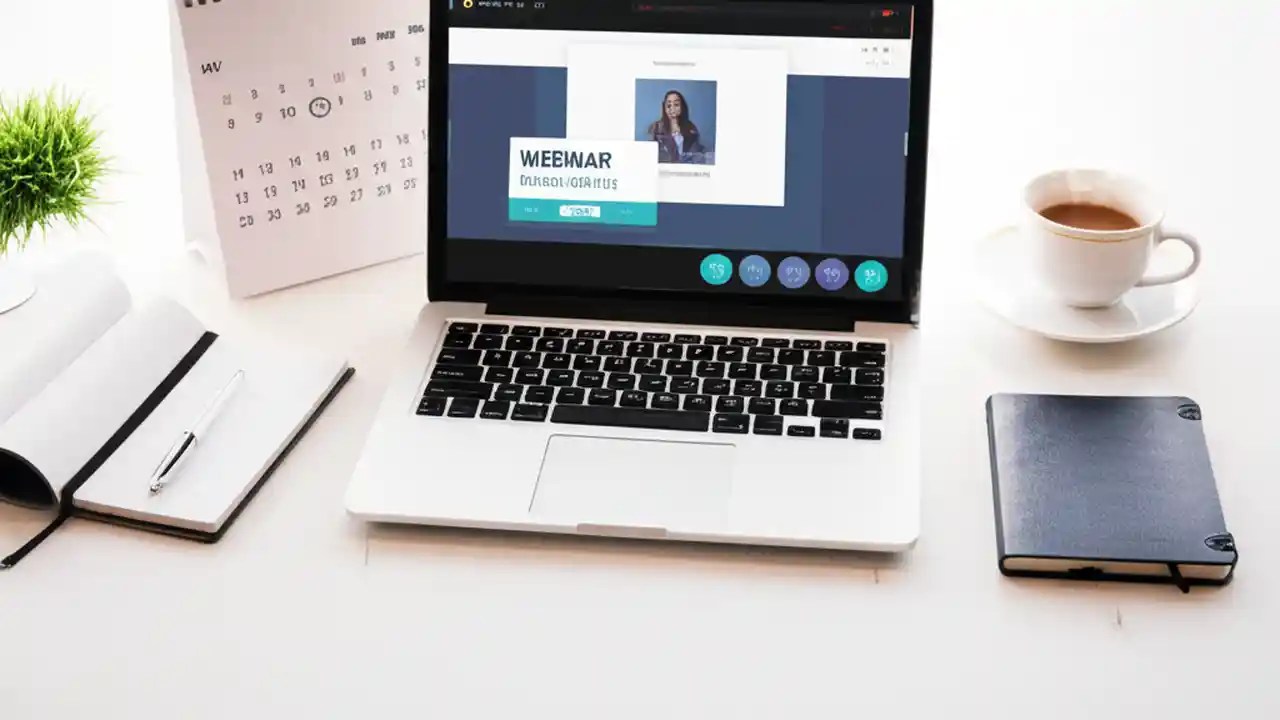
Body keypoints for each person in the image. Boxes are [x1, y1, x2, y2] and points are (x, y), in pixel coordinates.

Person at [646, 90, 706, 164]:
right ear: (664, 108)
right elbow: (650, 154)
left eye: (676, 104)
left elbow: (696, 153)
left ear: (682, 107)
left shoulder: (691, 128)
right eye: (669, 105)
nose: (672, 108)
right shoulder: (655, 128)